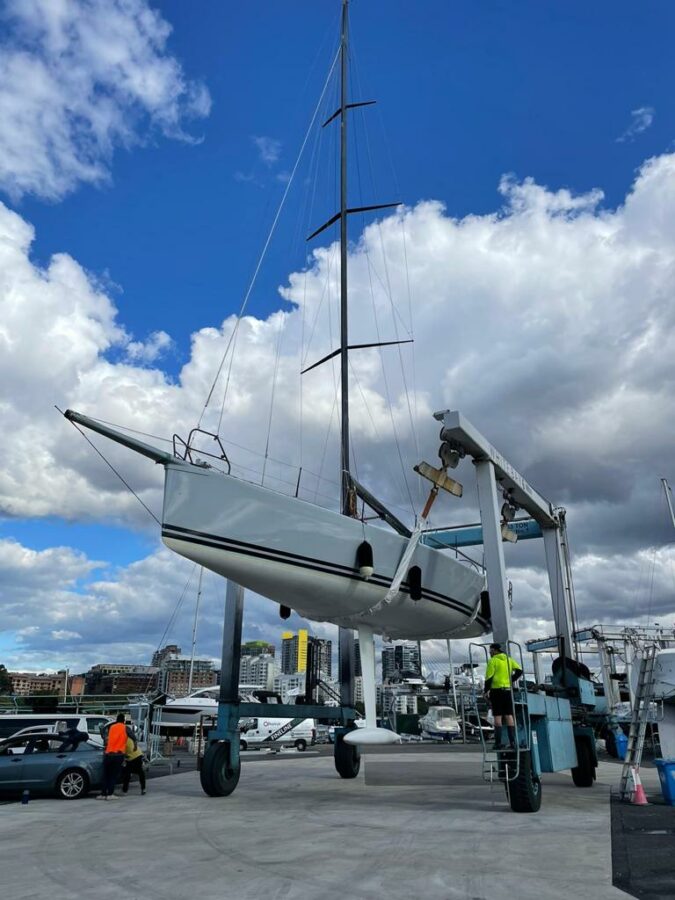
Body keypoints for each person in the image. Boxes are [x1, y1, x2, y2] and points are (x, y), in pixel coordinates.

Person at [484, 643, 523, 750]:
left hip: (496, 691)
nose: (490, 652)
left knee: (498, 717)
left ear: (495, 650)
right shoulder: (508, 659)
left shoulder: (493, 661)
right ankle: (513, 742)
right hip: (507, 690)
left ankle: (498, 743)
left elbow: (489, 677)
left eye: (491, 650)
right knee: (509, 715)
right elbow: (520, 671)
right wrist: (511, 680)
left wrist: (486, 691)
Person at [98, 713, 137, 800]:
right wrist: (135, 745)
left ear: (116, 720)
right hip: (118, 755)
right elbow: (133, 737)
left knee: (106, 774)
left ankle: (103, 794)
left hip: (108, 754)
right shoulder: (125, 727)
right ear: (123, 720)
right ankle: (110, 794)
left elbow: (106, 738)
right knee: (113, 775)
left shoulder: (112, 727)